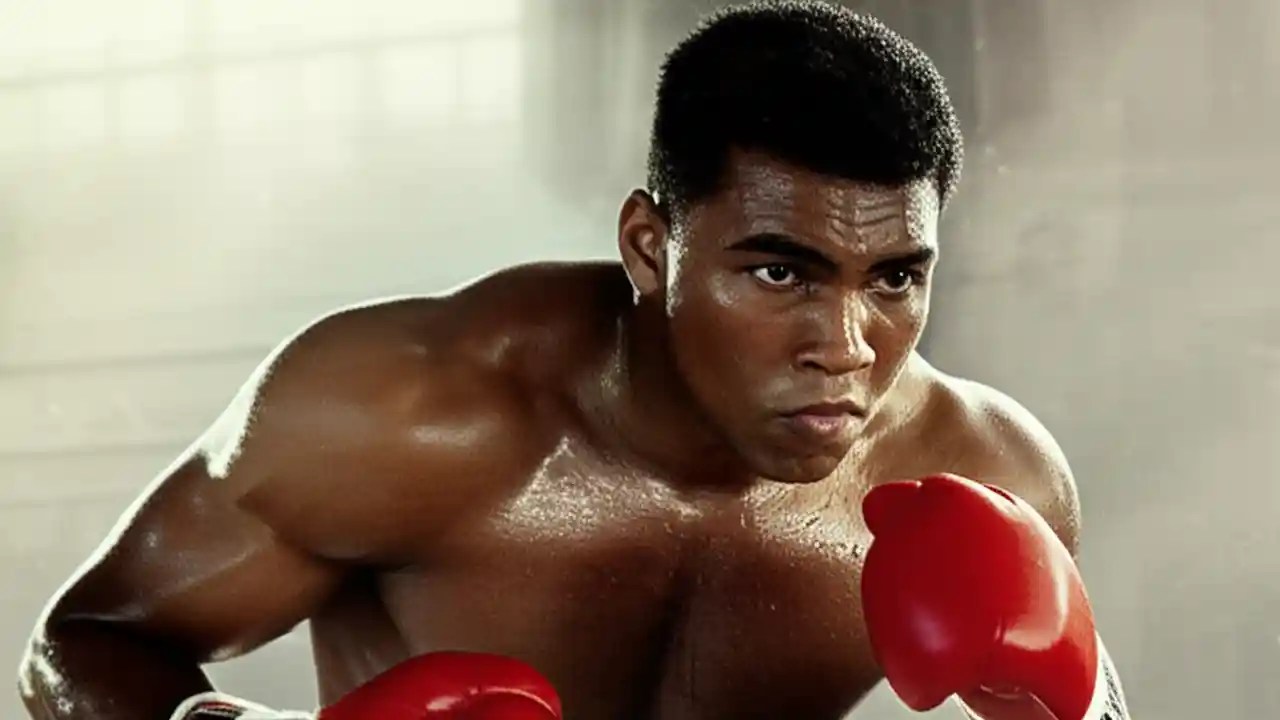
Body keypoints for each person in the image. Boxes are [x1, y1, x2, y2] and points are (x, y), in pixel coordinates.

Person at [18, 2, 1132, 719]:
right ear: (651, 248)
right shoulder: (407, 409)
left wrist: (1065, 711)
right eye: (779, 272)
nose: (844, 348)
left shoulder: (985, 471)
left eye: (892, 277)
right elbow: (81, 650)